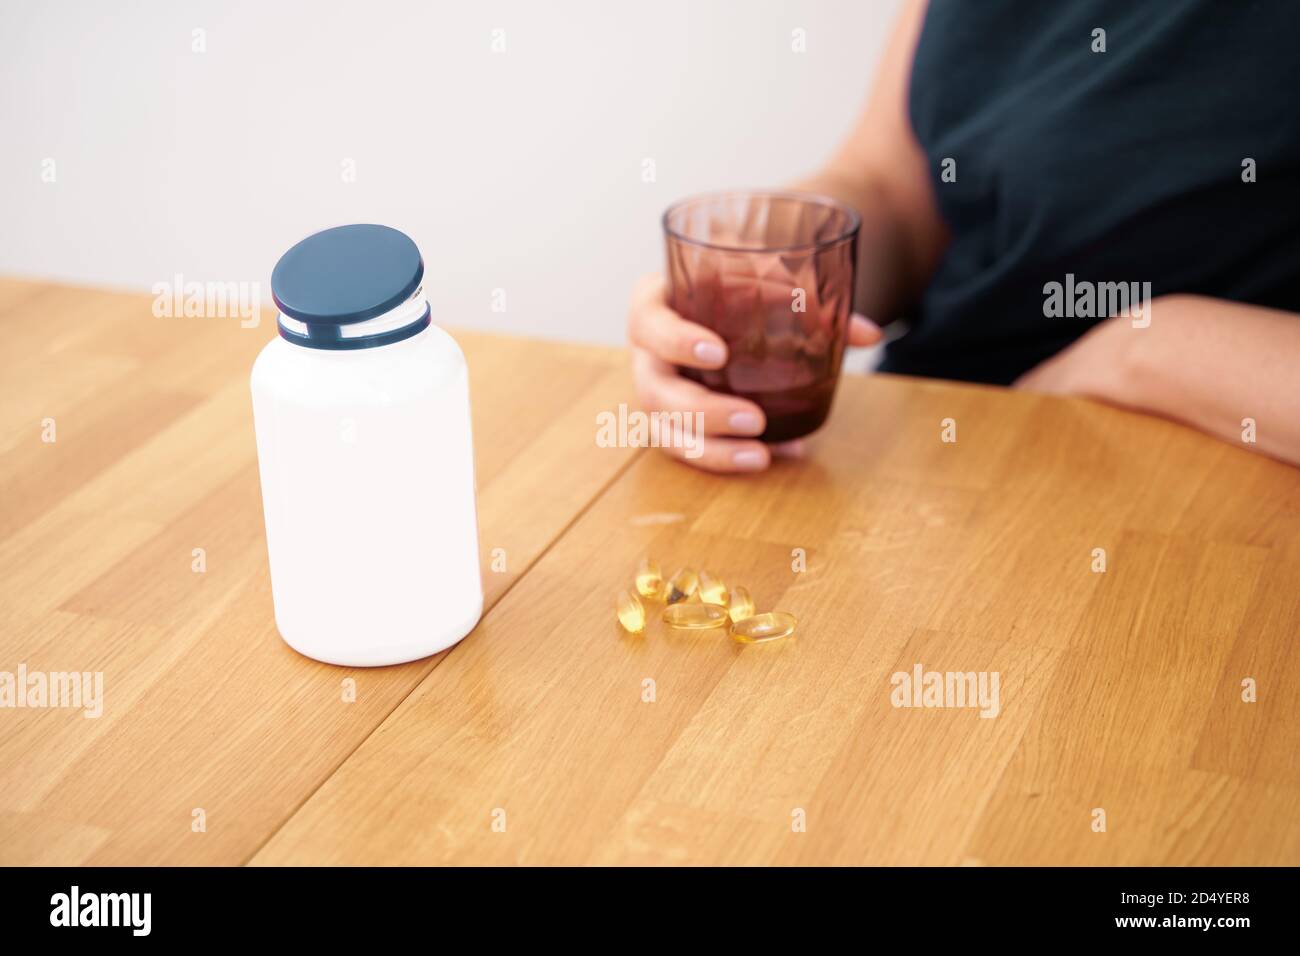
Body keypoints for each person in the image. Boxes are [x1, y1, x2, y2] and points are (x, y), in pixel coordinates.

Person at [628, 0, 1300, 473]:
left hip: (1207, 493)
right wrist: (765, 285)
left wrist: (1143, 349)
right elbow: (894, 183)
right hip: (936, 456)